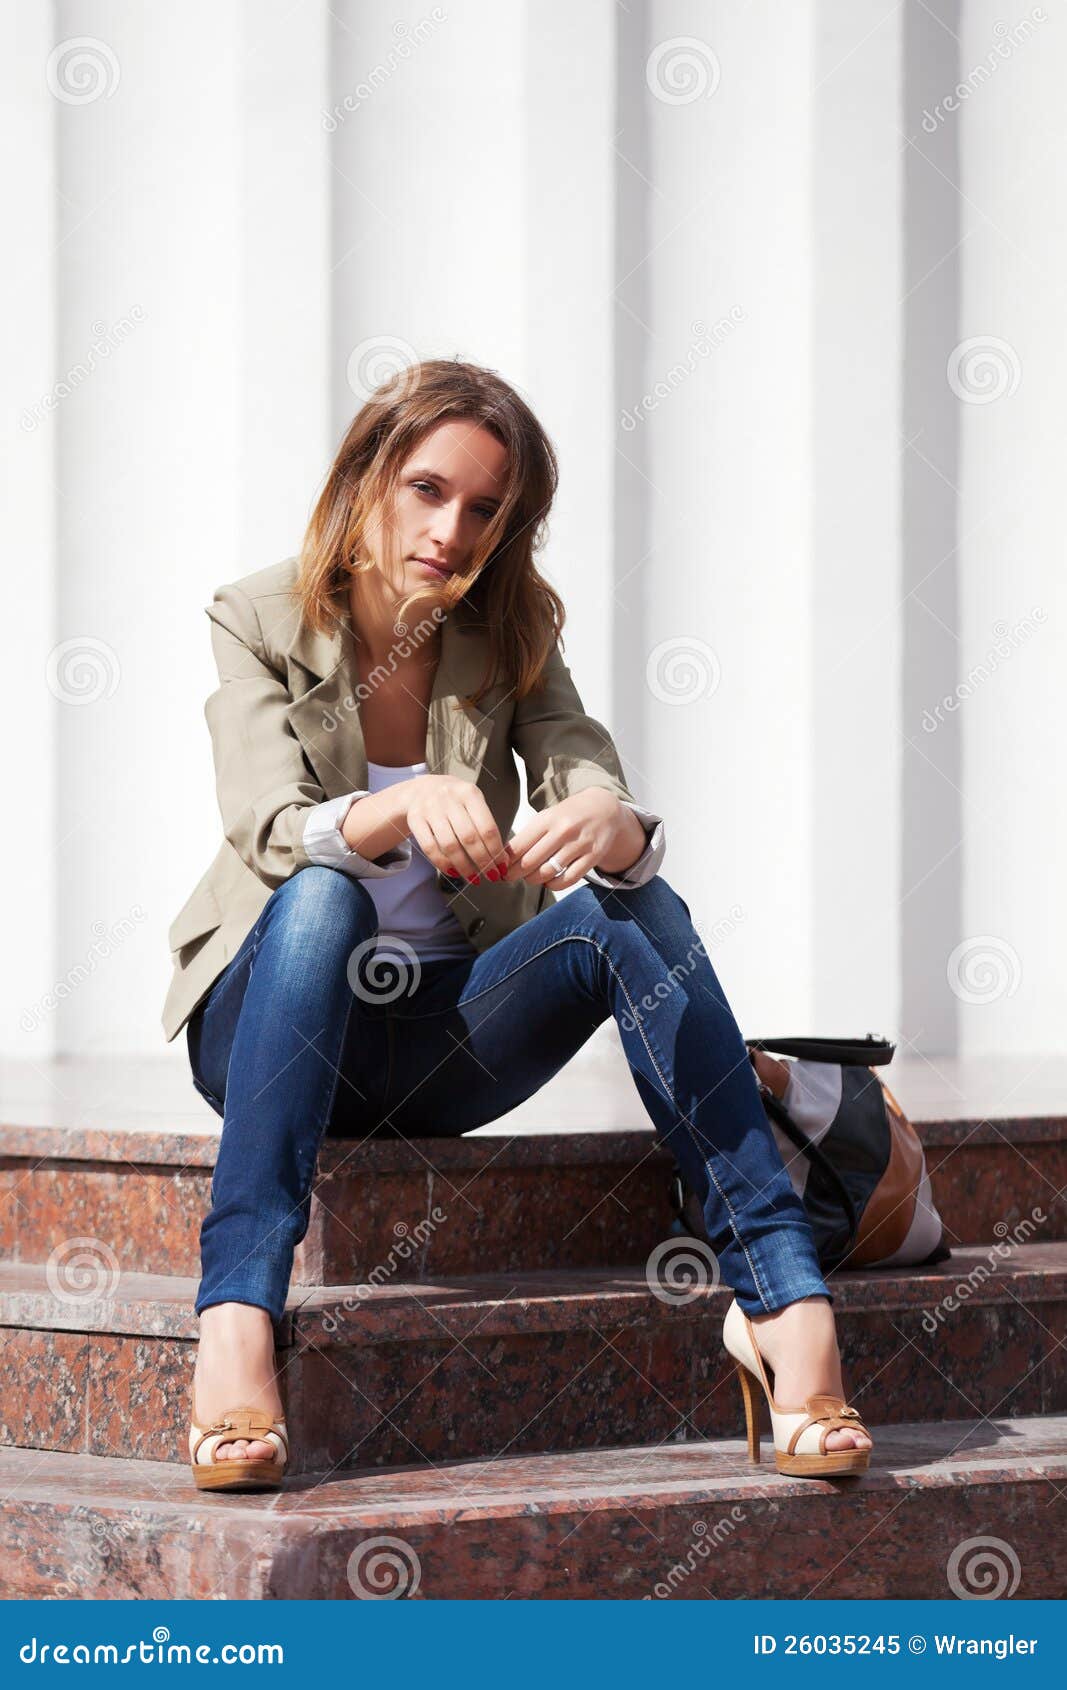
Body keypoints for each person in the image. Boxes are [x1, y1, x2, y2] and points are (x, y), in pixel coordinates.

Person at [166, 358, 872, 1489]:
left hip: (441, 1045)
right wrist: (391, 806)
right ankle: (238, 1319)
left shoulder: (513, 627)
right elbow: (266, 821)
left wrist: (612, 817)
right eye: (427, 490)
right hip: (274, 1023)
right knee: (322, 893)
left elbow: (575, 747)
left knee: (628, 906)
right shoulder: (256, 613)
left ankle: (783, 1307)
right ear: (369, 477)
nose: (451, 529)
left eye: (485, 508)